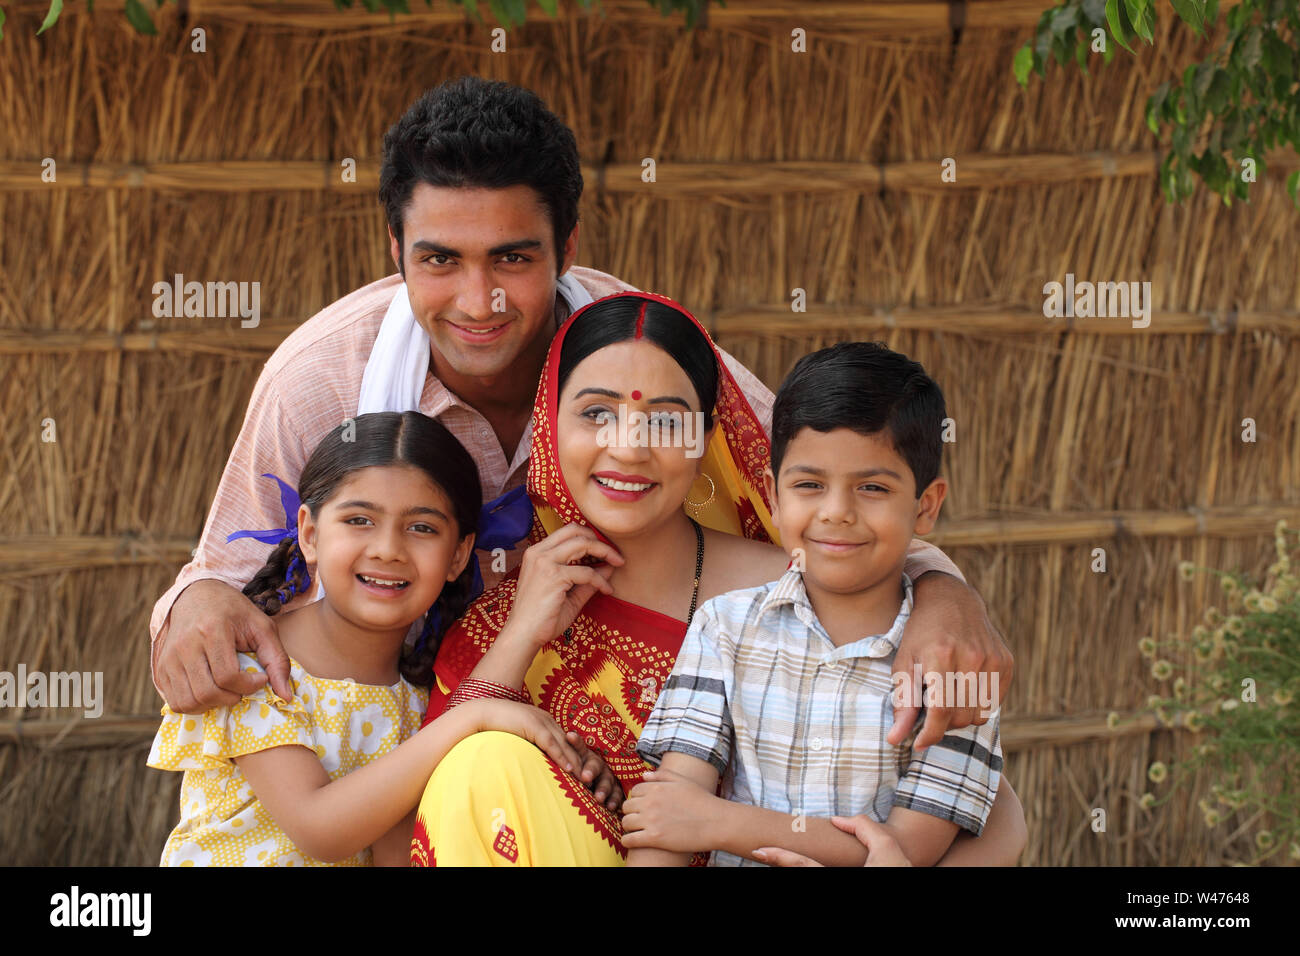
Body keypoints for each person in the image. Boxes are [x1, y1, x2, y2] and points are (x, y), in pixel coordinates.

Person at [150, 75, 1010, 769]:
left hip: (615, 737)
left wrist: (941, 589)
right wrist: (192, 607)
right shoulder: (322, 377)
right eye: (440, 259)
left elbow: (813, 477)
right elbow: (225, 565)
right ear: (394, 249)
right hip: (378, 737)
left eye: (514, 259)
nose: (478, 301)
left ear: (567, 246)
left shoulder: (641, 349)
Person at [409, 292, 1023, 866]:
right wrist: (521, 634)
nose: (627, 448)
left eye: (666, 421)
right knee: (483, 762)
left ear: (707, 437)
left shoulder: (802, 589)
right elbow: (431, 799)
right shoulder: (504, 617)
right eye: (596, 412)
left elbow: (988, 817)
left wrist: (948, 593)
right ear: (549, 424)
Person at [147, 412, 600, 866]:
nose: (387, 548)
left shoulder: (417, 700)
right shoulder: (259, 668)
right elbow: (320, 830)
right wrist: (474, 717)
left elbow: (398, 856)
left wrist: (567, 778)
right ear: (310, 533)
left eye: (422, 527)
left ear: (459, 555)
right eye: (359, 519)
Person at [626, 342, 1016, 866]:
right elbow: (668, 815)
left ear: (926, 506)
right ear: (773, 493)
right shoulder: (725, 628)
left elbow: (905, 851)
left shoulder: (956, 670)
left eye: (873, 487)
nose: (836, 512)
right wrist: (690, 820)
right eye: (810, 484)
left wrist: (722, 822)